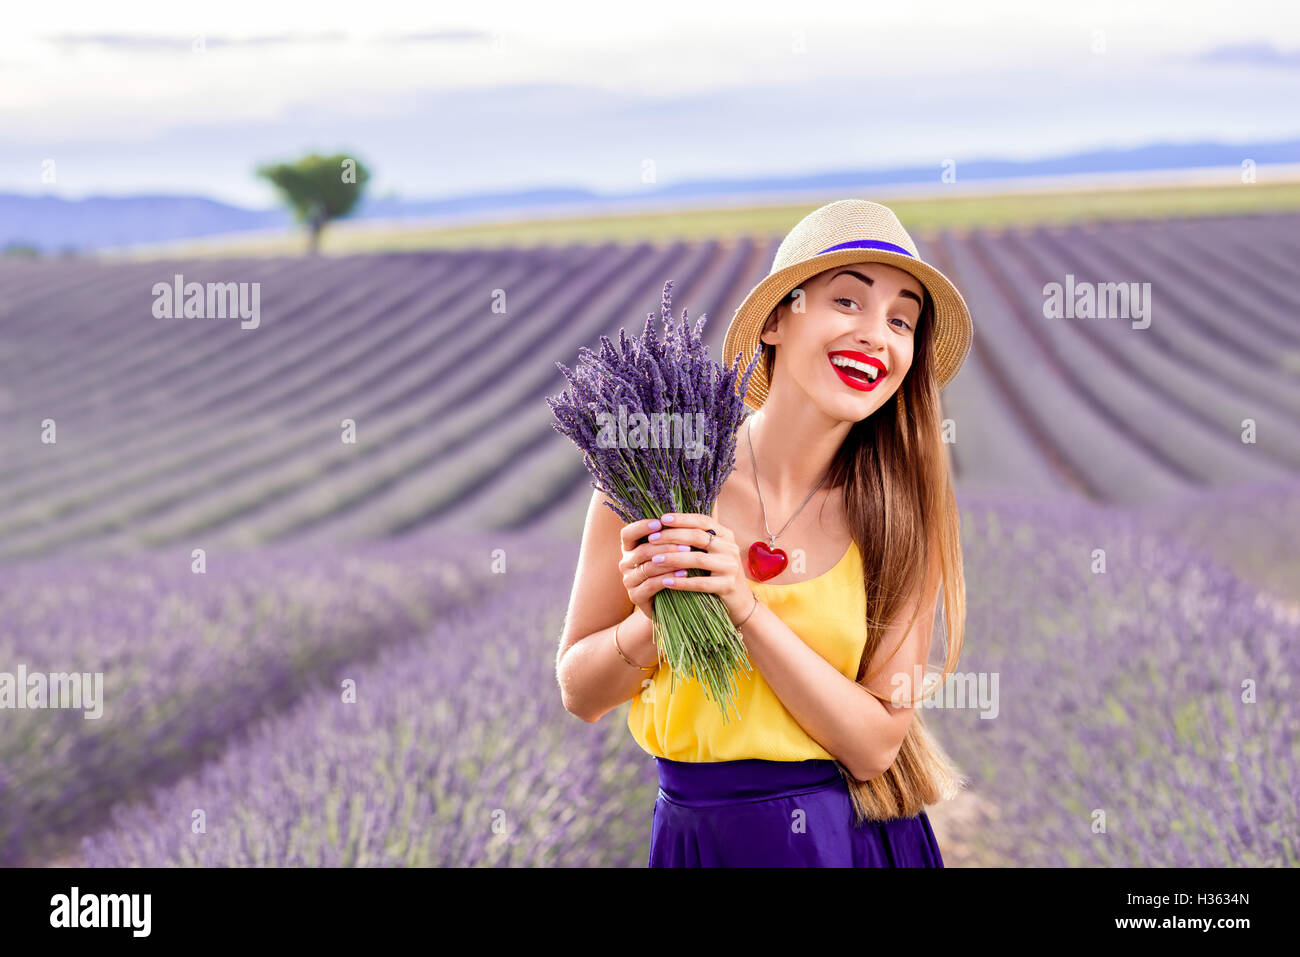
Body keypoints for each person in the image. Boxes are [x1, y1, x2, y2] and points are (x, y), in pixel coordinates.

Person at [556, 199, 973, 866]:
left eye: (902, 320)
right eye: (848, 302)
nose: (877, 334)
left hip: (849, 843)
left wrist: (741, 606)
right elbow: (579, 693)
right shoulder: (655, 481)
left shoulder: (899, 514)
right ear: (778, 320)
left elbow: (875, 745)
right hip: (701, 839)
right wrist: (657, 619)